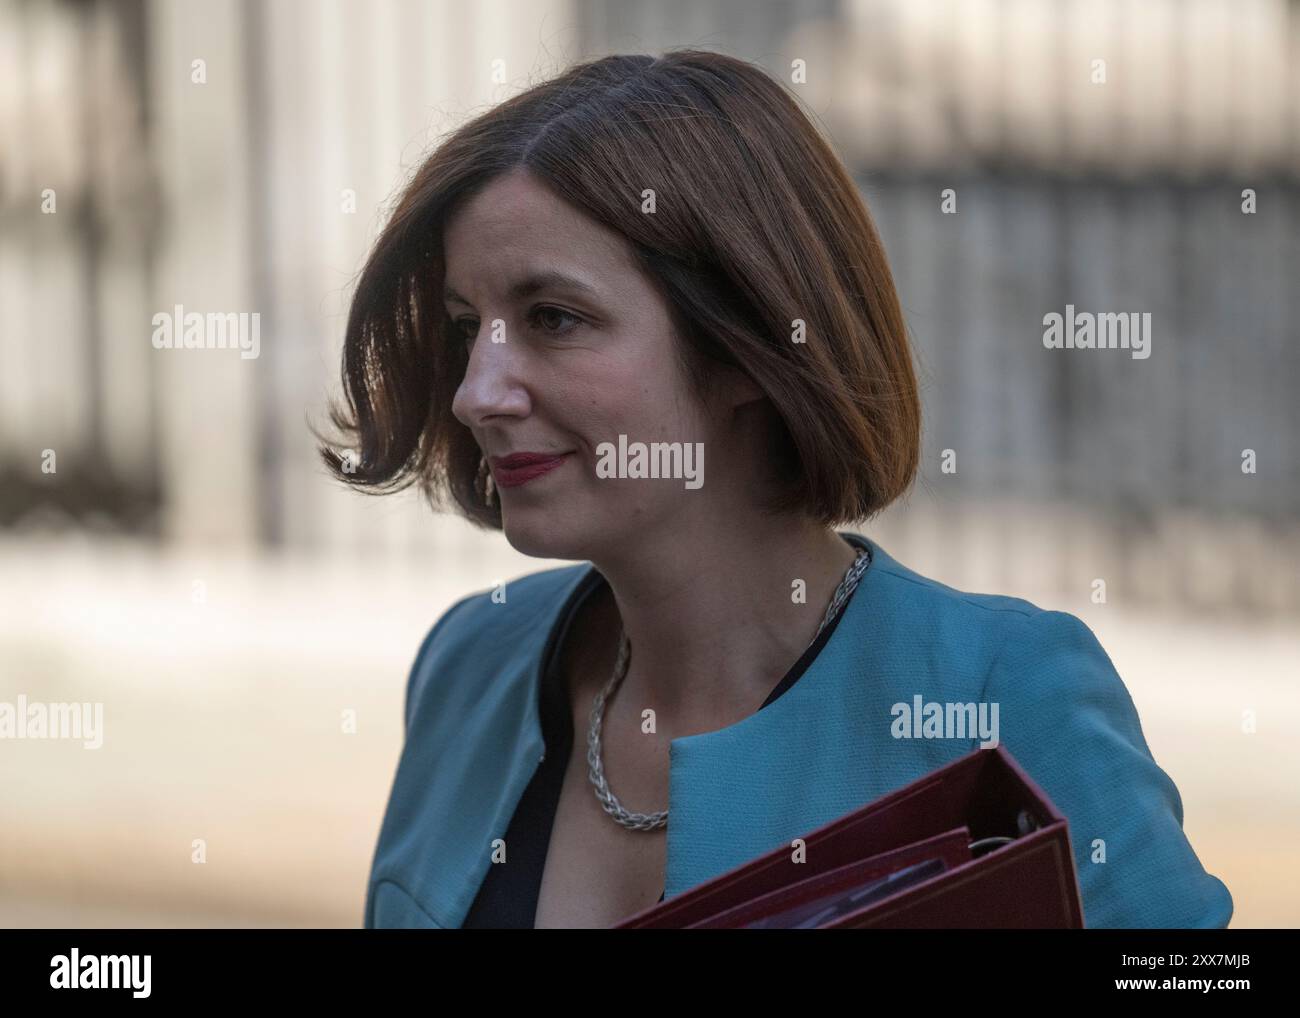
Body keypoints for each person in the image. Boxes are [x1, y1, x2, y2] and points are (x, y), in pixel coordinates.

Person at [317, 49, 1232, 929]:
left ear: (750, 346)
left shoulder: (996, 689)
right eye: (468, 326)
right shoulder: (471, 666)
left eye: (554, 319)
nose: (478, 391)